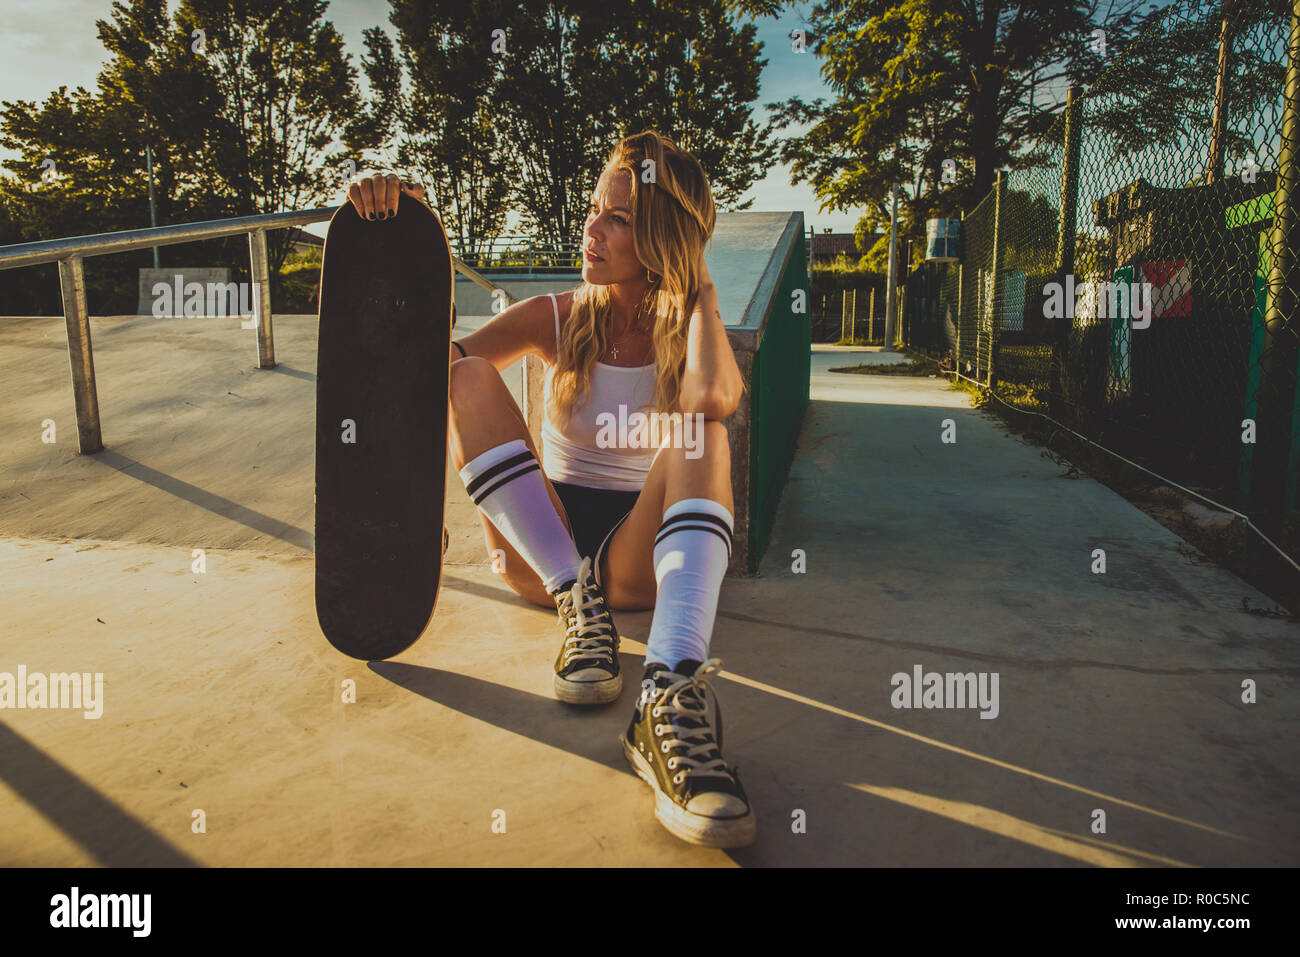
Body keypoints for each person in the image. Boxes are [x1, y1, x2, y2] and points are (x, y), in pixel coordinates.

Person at [346, 130, 755, 848]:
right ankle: (576, 602)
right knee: (468, 376)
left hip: (636, 557)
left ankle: (666, 696)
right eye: (596, 208)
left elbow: (715, 396)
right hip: (543, 548)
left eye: (620, 218)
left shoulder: (687, 322)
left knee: (703, 432)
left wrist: (701, 291)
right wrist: (407, 239)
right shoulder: (557, 315)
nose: (592, 228)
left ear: (663, 237)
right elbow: (434, 367)